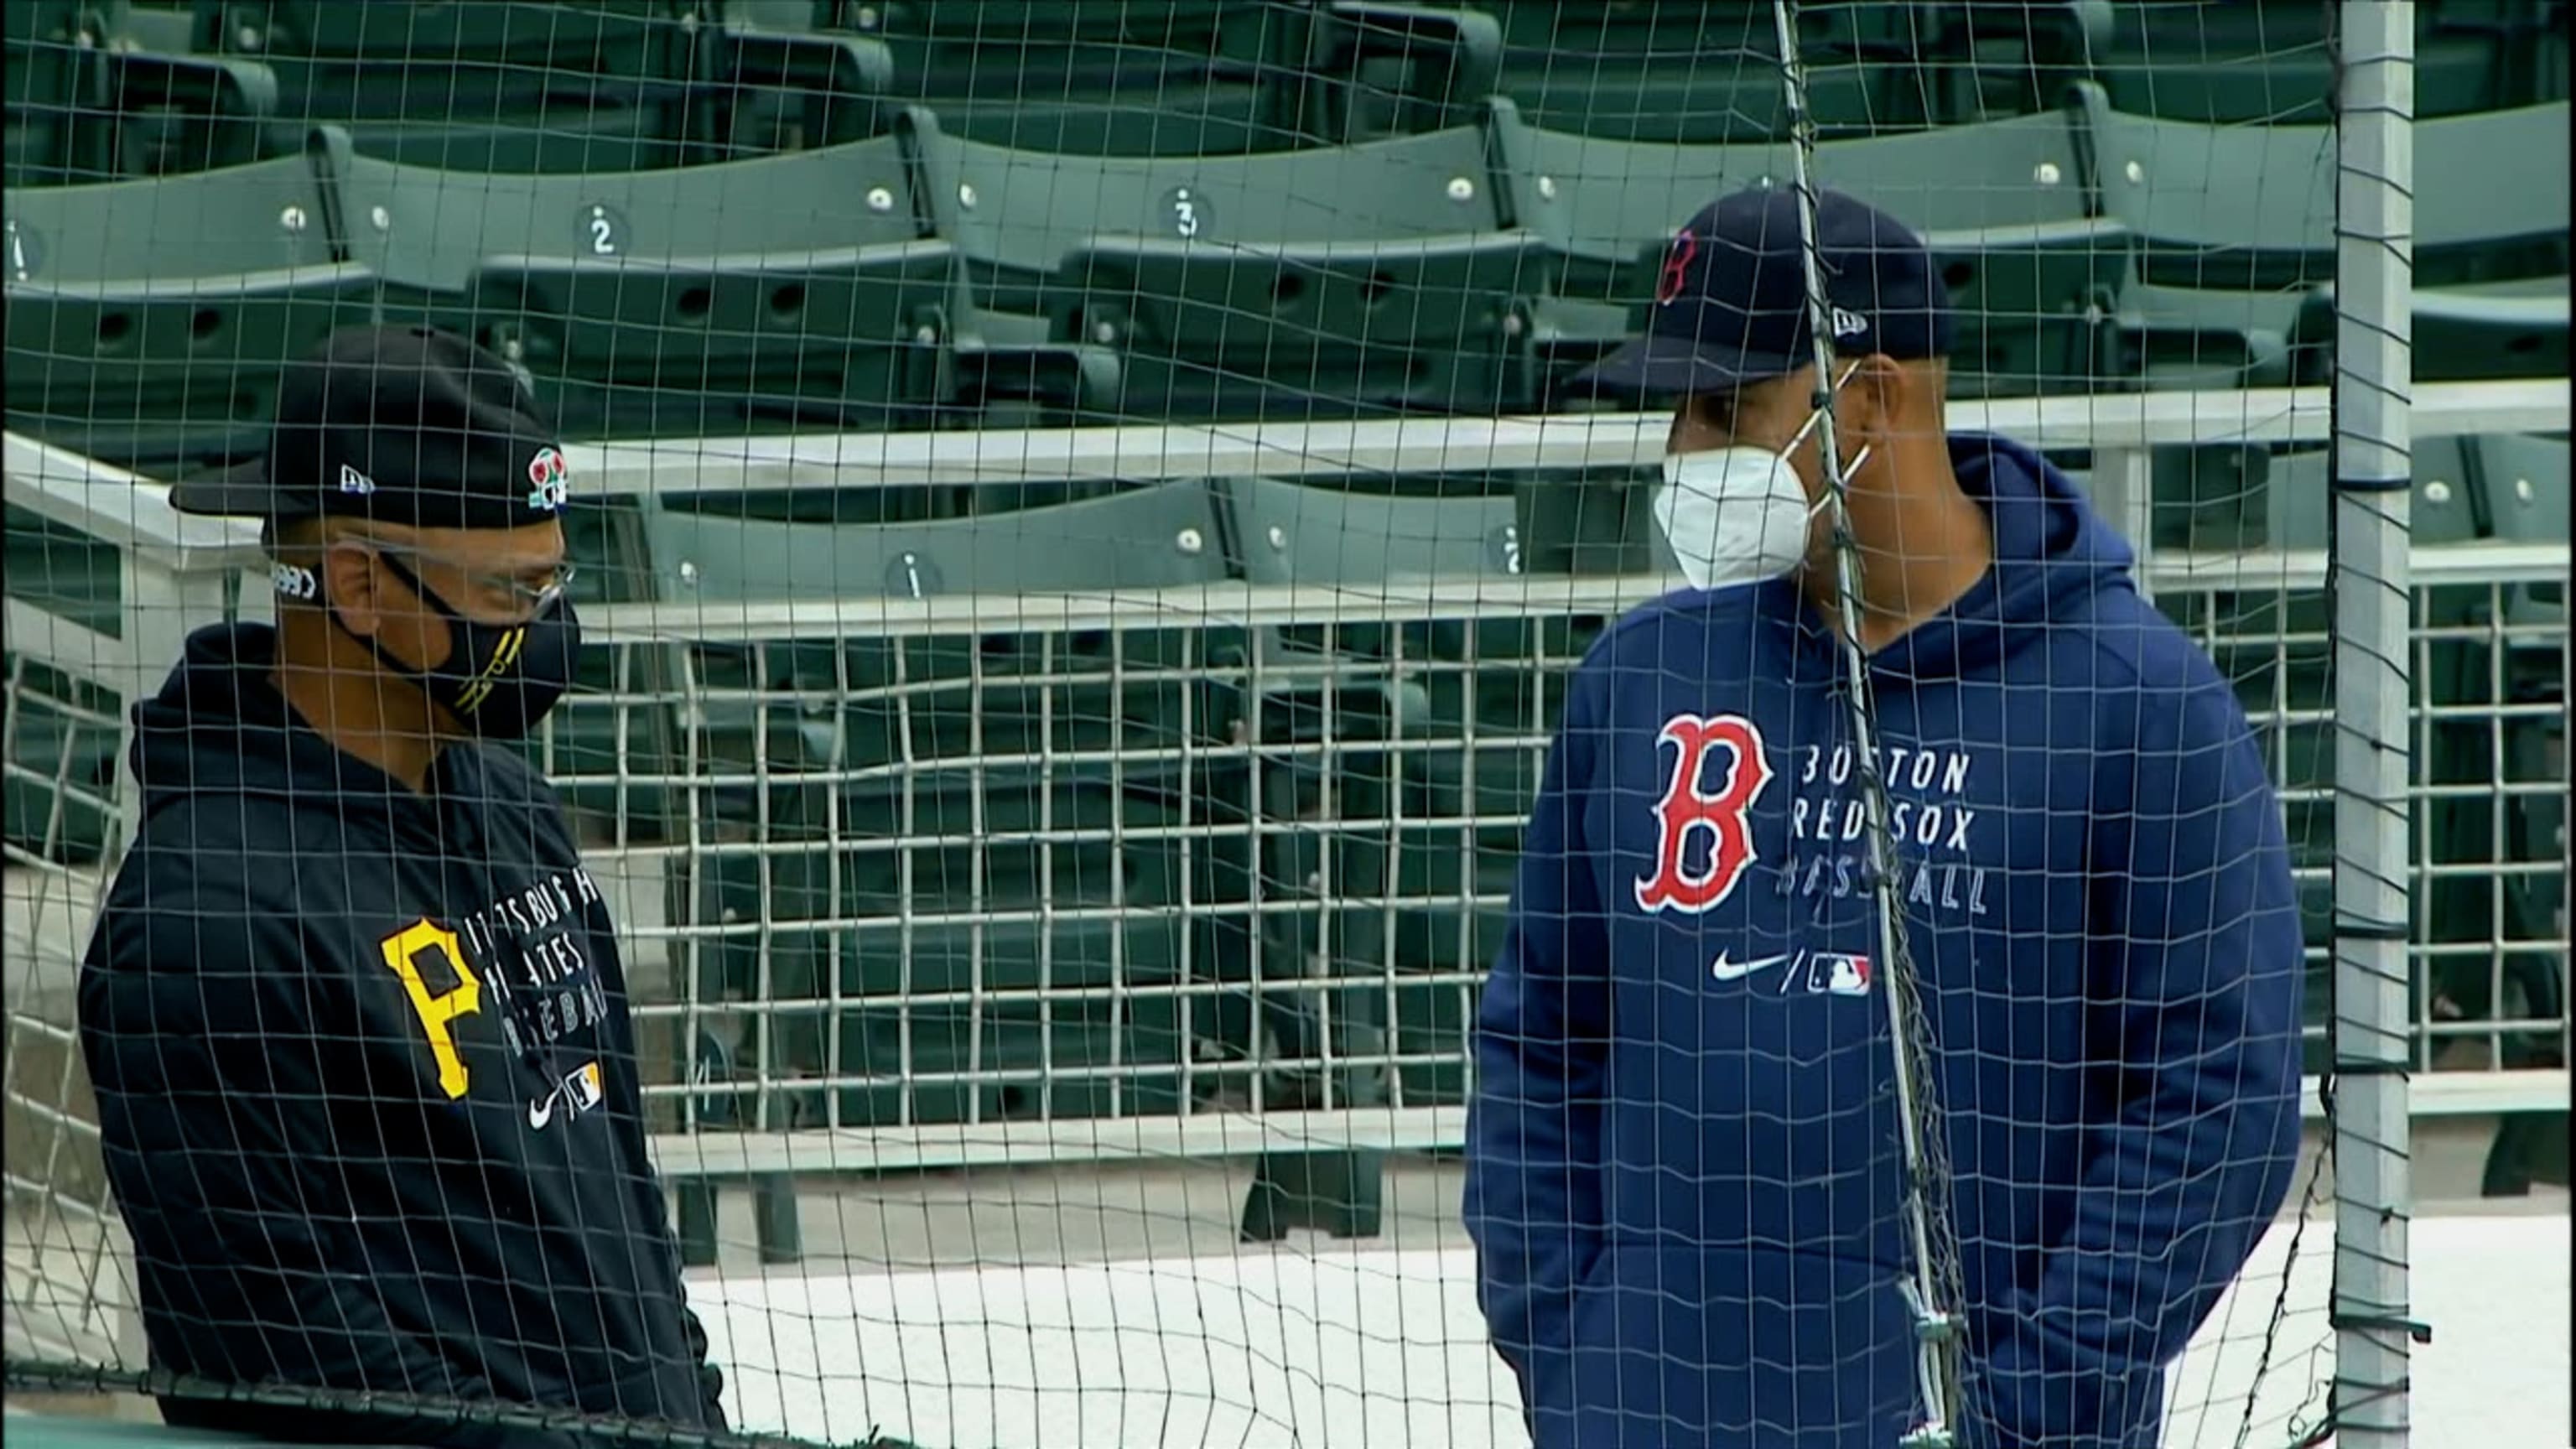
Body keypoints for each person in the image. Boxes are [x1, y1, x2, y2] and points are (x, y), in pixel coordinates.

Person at [1460, 188, 2306, 1449]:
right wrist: (1573, 1355)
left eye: (1726, 410)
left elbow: (2221, 1103)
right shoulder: (1638, 676)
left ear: (1871, 399)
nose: (1686, 455)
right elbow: (1537, 1037)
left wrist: (2012, 1414)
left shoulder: (2137, 700)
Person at [78, 325, 728, 1446]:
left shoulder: (513, 807)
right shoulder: (205, 921)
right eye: (512, 595)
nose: (547, 633)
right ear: (361, 586)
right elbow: (295, 1359)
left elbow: (622, 1196)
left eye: (552, 585)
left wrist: (692, 1420)